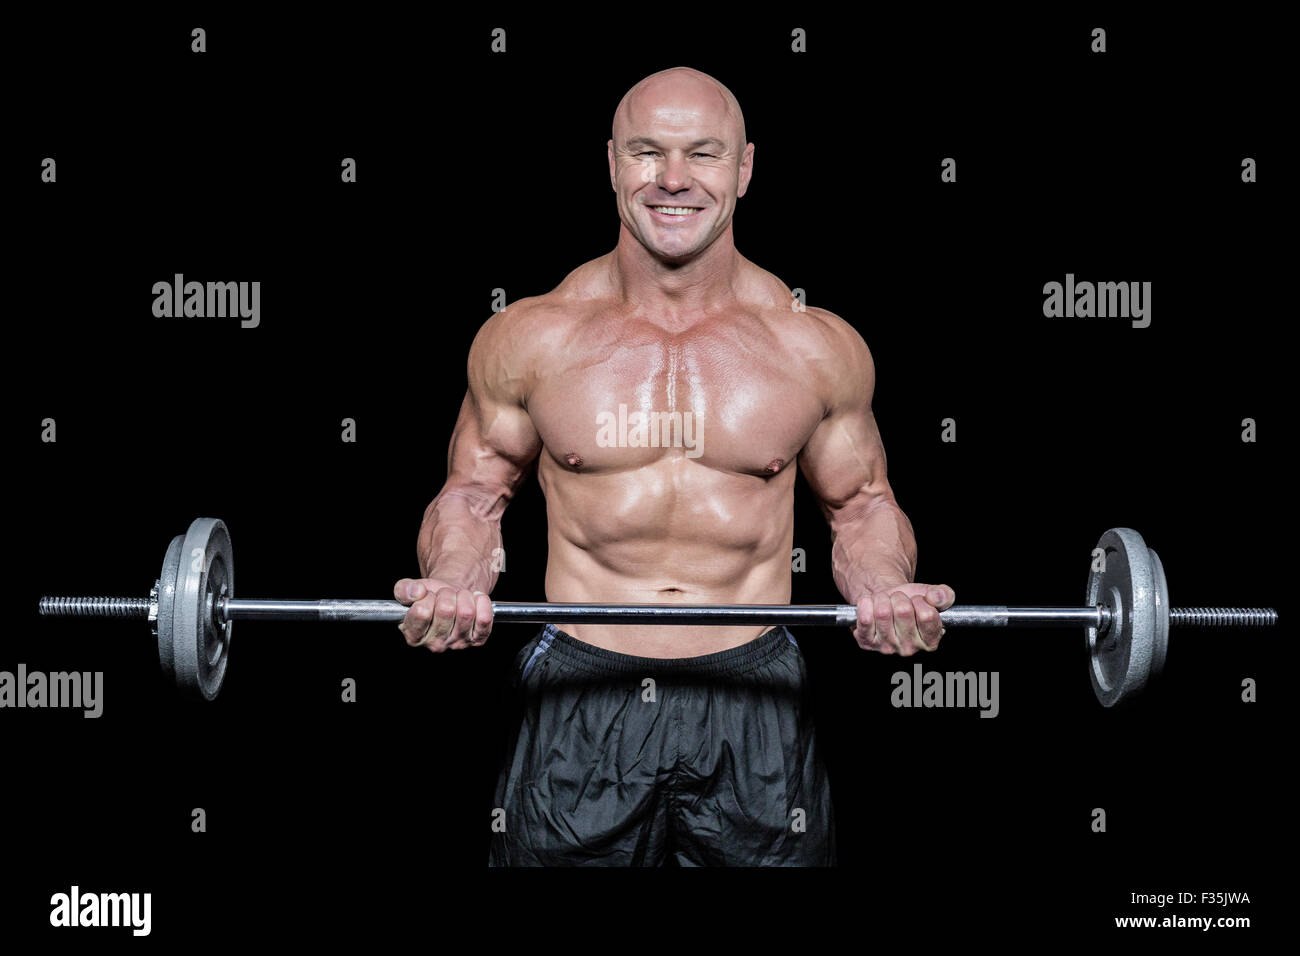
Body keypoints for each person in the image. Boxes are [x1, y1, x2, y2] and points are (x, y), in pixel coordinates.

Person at [394, 66, 954, 866]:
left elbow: (862, 507)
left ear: (746, 168)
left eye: (704, 154)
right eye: (648, 152)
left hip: (752, 695)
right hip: (581, 695)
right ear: (612, 163)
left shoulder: (815, 346)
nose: (675, 180)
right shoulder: (531, 336)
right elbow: (474, 496)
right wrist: (454, 578)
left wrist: (883, 586)